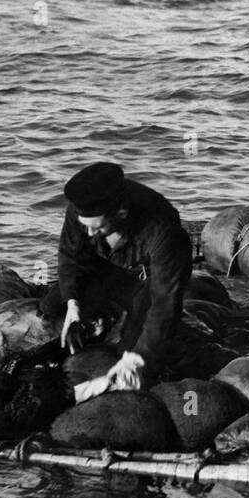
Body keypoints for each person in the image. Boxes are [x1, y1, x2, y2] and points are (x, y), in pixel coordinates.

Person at [40, 162, 192, 390]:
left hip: (146, 281)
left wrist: (139, 357)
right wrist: (73, 304)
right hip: (108, 270)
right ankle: (107, 316)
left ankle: (135, 326)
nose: (89, 233)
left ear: (121, 214)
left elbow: (164, 303)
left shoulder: (163, 231)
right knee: (51, 306)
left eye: (97, 228)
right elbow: (69, 255)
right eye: (86, 226)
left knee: (131, 353)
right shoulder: (83, 206)